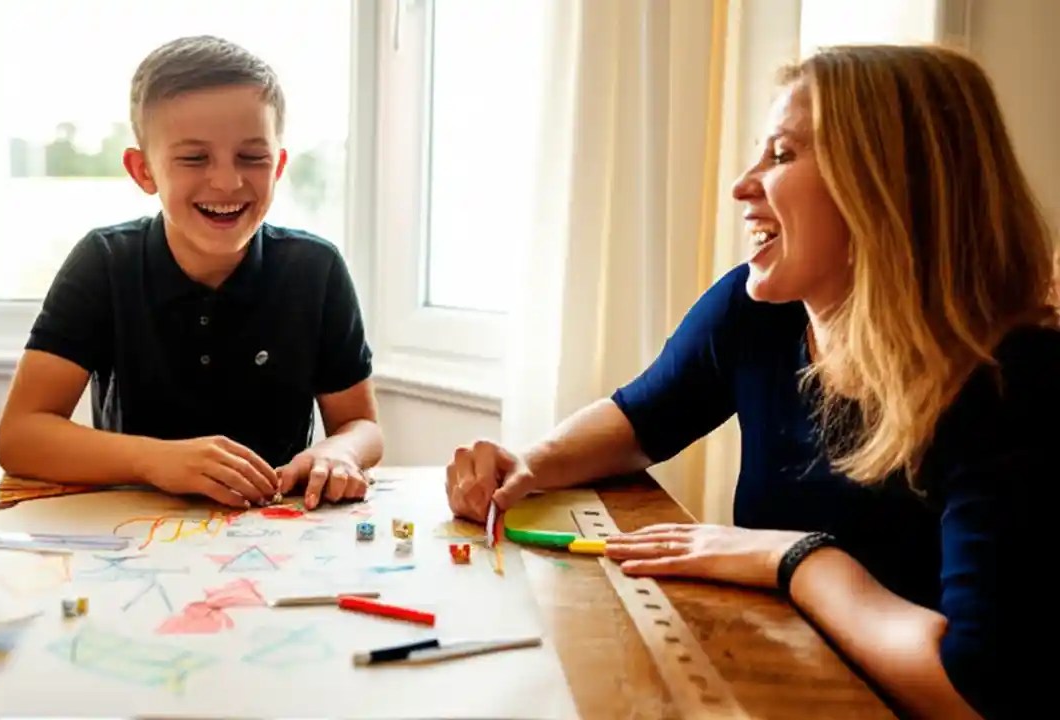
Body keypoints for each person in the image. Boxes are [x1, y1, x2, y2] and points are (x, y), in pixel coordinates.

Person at [446, 45, 1056, 719]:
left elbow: (975, 689)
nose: (743, 185)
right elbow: (642, 417)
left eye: (782, 155)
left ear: (888, 186)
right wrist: (528, 466)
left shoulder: (1018, 382)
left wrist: (797, 560)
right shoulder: (756, 310)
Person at [0, 35, 381, 510]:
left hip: (277, 532)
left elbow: (361, 427)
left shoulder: (316, 269)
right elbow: (20, 436)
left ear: (278, 165)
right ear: (143, 171)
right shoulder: (104, 263)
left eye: (252, 157)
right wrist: (155, 460)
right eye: (195, 158)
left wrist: (337, 451)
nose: (227, 181)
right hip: (132, 534)